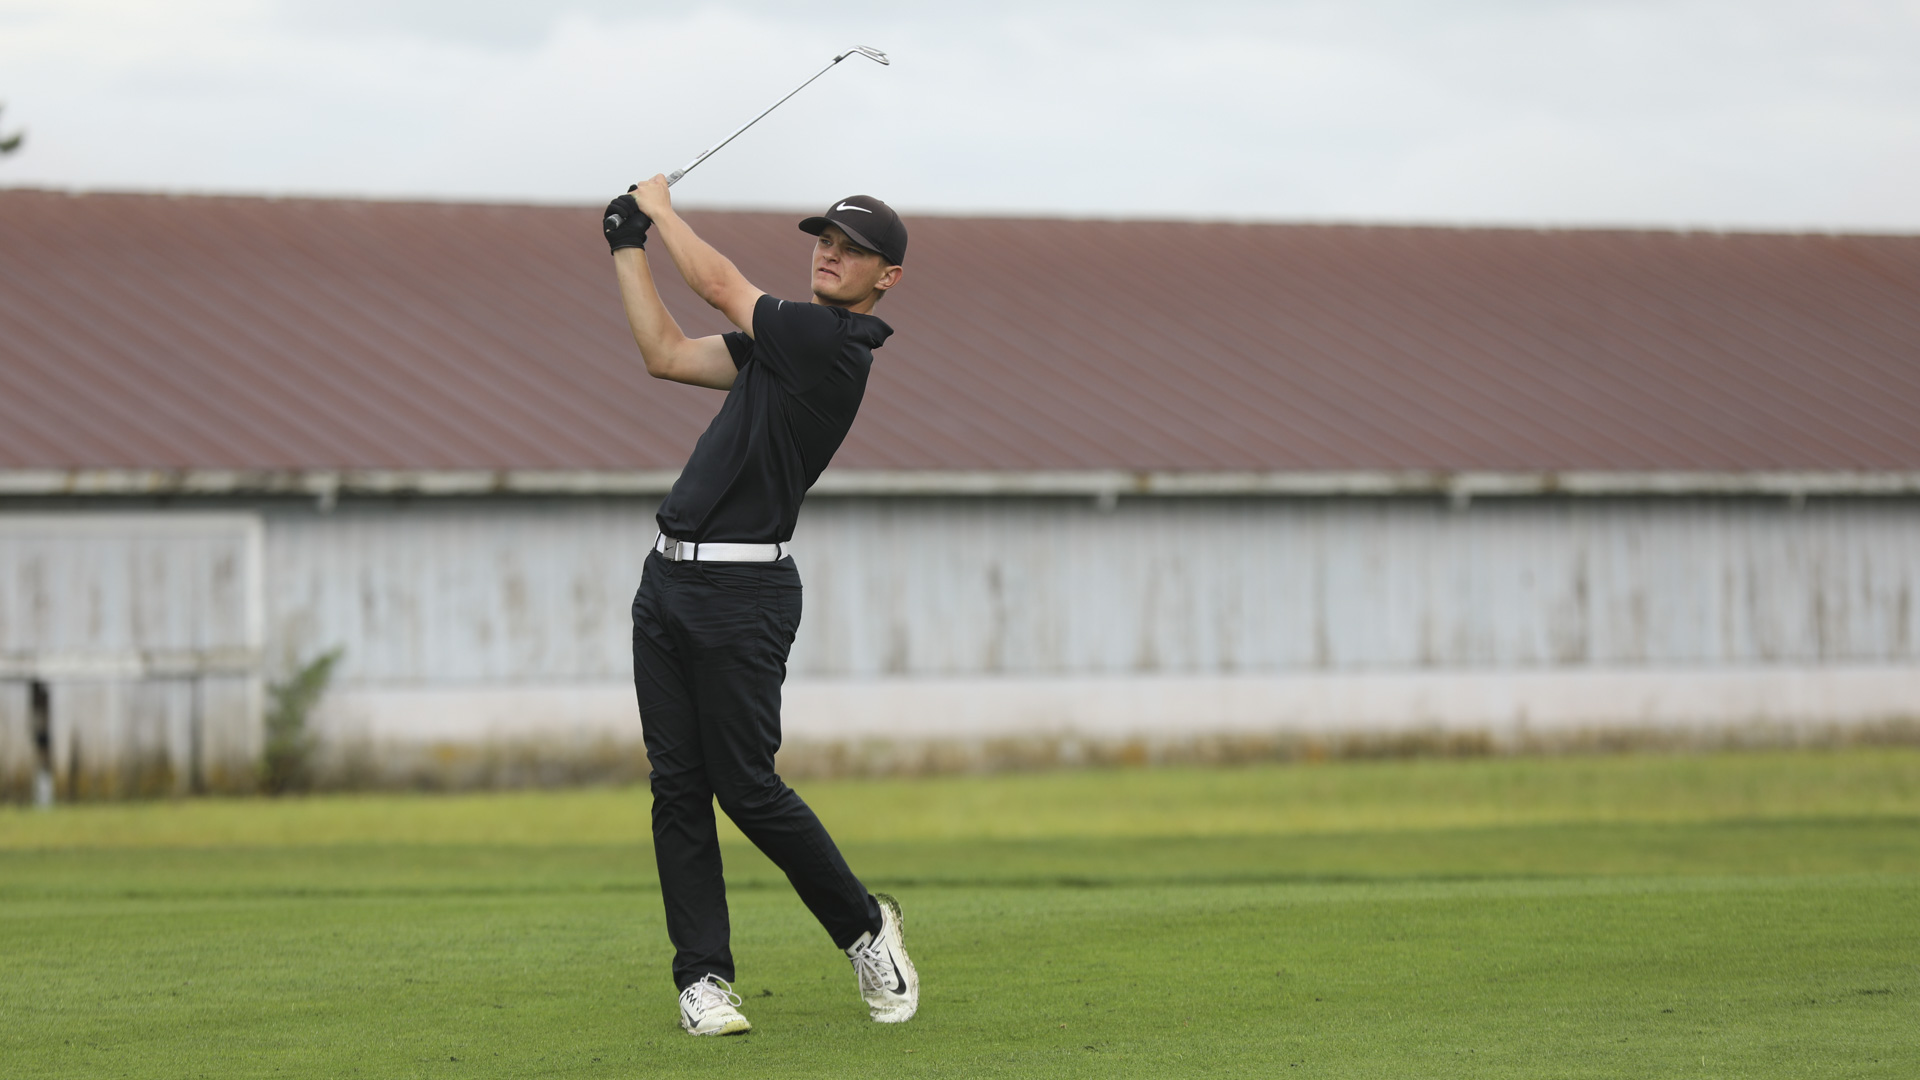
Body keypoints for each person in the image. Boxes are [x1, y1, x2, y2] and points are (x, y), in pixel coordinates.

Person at [603, 177, 918, 1037]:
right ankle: (703, 981)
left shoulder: (825, 340)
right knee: (678, 788)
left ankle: (864, 930)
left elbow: (715, 284)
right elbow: (665, 353)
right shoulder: (780, 347)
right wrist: (626, 246)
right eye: (825, 238)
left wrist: (661, 208)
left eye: (852, 249)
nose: (831, 251)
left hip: (744, 593)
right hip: (667, 584)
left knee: (744, 785)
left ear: (885, 277)